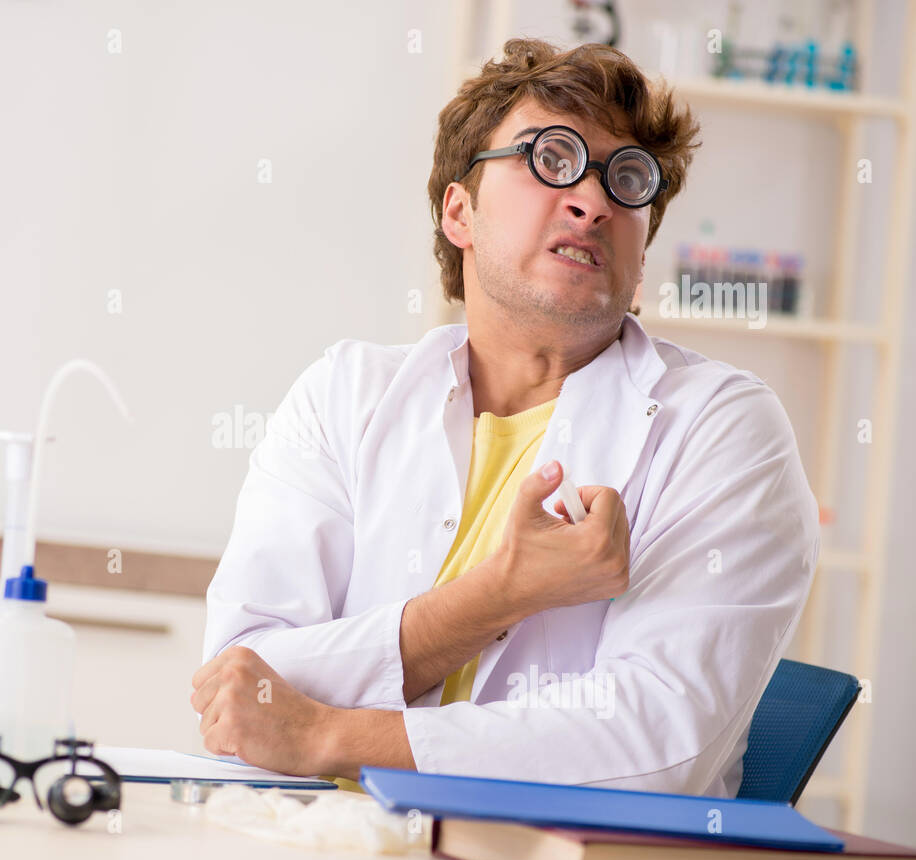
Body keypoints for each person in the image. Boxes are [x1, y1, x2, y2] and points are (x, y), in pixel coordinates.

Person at [191, 39, 818, 798]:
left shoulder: (722, 428)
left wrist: (331, 734)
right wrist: (499, 594)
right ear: (460, 211)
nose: (592, 201)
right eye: (550, 158)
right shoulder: (345, 395)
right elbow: (237, 684)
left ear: (643, 253)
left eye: (627, 181)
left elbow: (656, 743)